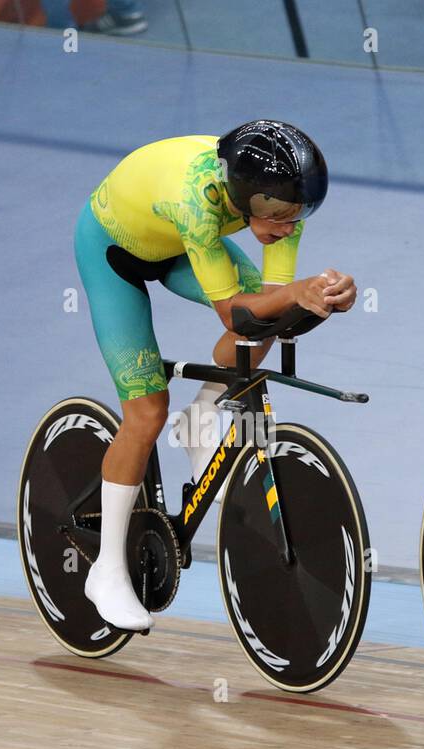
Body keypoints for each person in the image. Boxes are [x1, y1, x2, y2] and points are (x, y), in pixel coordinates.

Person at [75, 119, 355, 630]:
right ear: (250, 197)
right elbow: (234, 314)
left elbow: (271, 306)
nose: (291, 226)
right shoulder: (197, 200)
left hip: (176, 247)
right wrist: (294, 293)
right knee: (146, 412)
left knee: (266, 320)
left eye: (301, 214)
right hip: (114, 253)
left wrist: (325, 298)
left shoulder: (280, 202)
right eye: (281, 216)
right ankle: (107, 569)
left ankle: (202, 415)